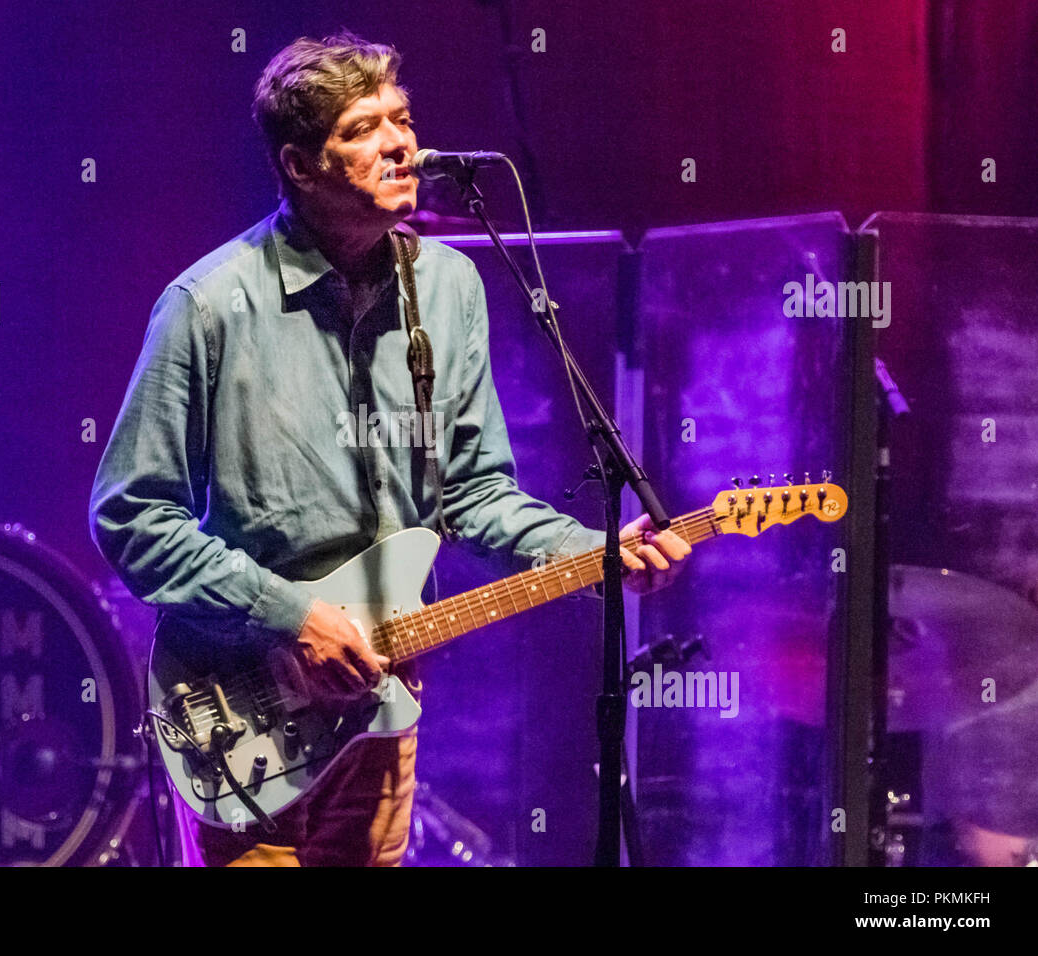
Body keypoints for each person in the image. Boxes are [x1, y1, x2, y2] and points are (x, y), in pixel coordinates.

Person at [88, 30, 690, 866]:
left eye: (401, 118)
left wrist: (590, 551)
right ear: (300, 166)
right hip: (241, 703)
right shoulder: (209, 306)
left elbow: (475, 490)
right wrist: (291, 615)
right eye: (363, 128)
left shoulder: (446, 287)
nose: (400, 143)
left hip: (384, 697)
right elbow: (131, 515)